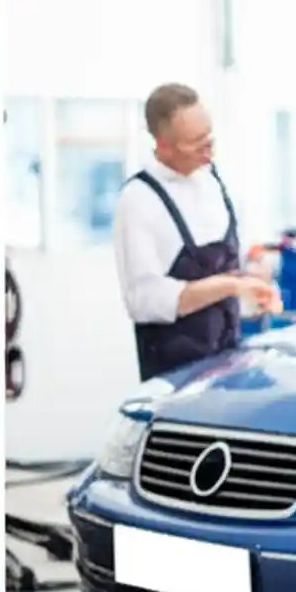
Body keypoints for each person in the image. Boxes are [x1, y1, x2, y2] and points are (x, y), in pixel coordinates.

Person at [113, 83, 281, 382]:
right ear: (163, 145)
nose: (209, 151)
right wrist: (229, 286)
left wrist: (254, 271)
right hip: (173, 379)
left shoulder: (212, 181)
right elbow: (143, 301)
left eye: (210, 138)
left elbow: (232, 259)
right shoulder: (138, 200)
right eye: (197, 143)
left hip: (229, 366)